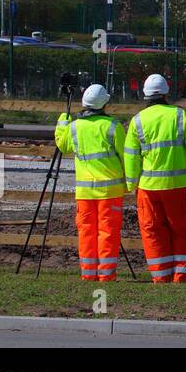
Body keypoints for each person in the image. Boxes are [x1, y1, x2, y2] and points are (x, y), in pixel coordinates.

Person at [123, 74, 186, 283]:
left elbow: (131, 156)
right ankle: (181, 275)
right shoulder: (179, 116)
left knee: (152, 231)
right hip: (177, 186)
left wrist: (131, 184)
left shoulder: (138, 120)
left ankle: (160, 277)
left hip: (148, 188)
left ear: (145, 95)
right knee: (180, 230)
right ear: (166, 92)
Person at [55, 84, 126, 281]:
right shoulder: (113, 126)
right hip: (110, 192)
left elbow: (62, 145)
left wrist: (63, 121)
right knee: (108, 232)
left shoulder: (75, 127)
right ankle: (106, 274)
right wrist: (130, 184)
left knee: (86, 232)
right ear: (104, 103)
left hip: (85, 192)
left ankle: (87, 273)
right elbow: (125, 156)